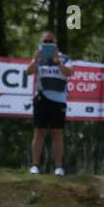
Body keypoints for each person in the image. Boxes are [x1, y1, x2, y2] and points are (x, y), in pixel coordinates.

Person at [25, 31, 73, 175]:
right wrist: (35, 60)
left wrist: (58, 62)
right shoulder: (39, 58)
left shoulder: (64, 58)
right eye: (45, 41)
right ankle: (35, 166)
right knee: (38, 132)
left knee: (57, 133)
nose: (47, 44)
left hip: (58, 101)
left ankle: (58, 167)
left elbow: (69, 73)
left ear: (55, 43)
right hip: (41, 98)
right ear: (41, 43)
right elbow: (28, 72)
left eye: (50, 41)